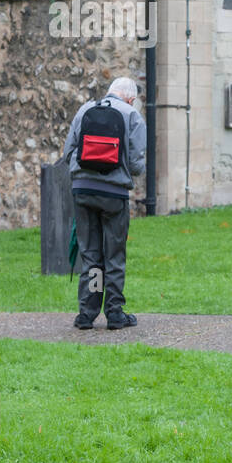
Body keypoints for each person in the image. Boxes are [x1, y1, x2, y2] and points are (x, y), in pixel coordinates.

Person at [62, 76, 147, 330]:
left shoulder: (85, 109)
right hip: (113, 195)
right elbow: (135, 165)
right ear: (130, 98)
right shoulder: (131, 115)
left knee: (91, 255)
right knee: (114, 255)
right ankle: (114, 314)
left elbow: (68, 153)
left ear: (110, 92)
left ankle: (86, 314)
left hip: (83, 192)